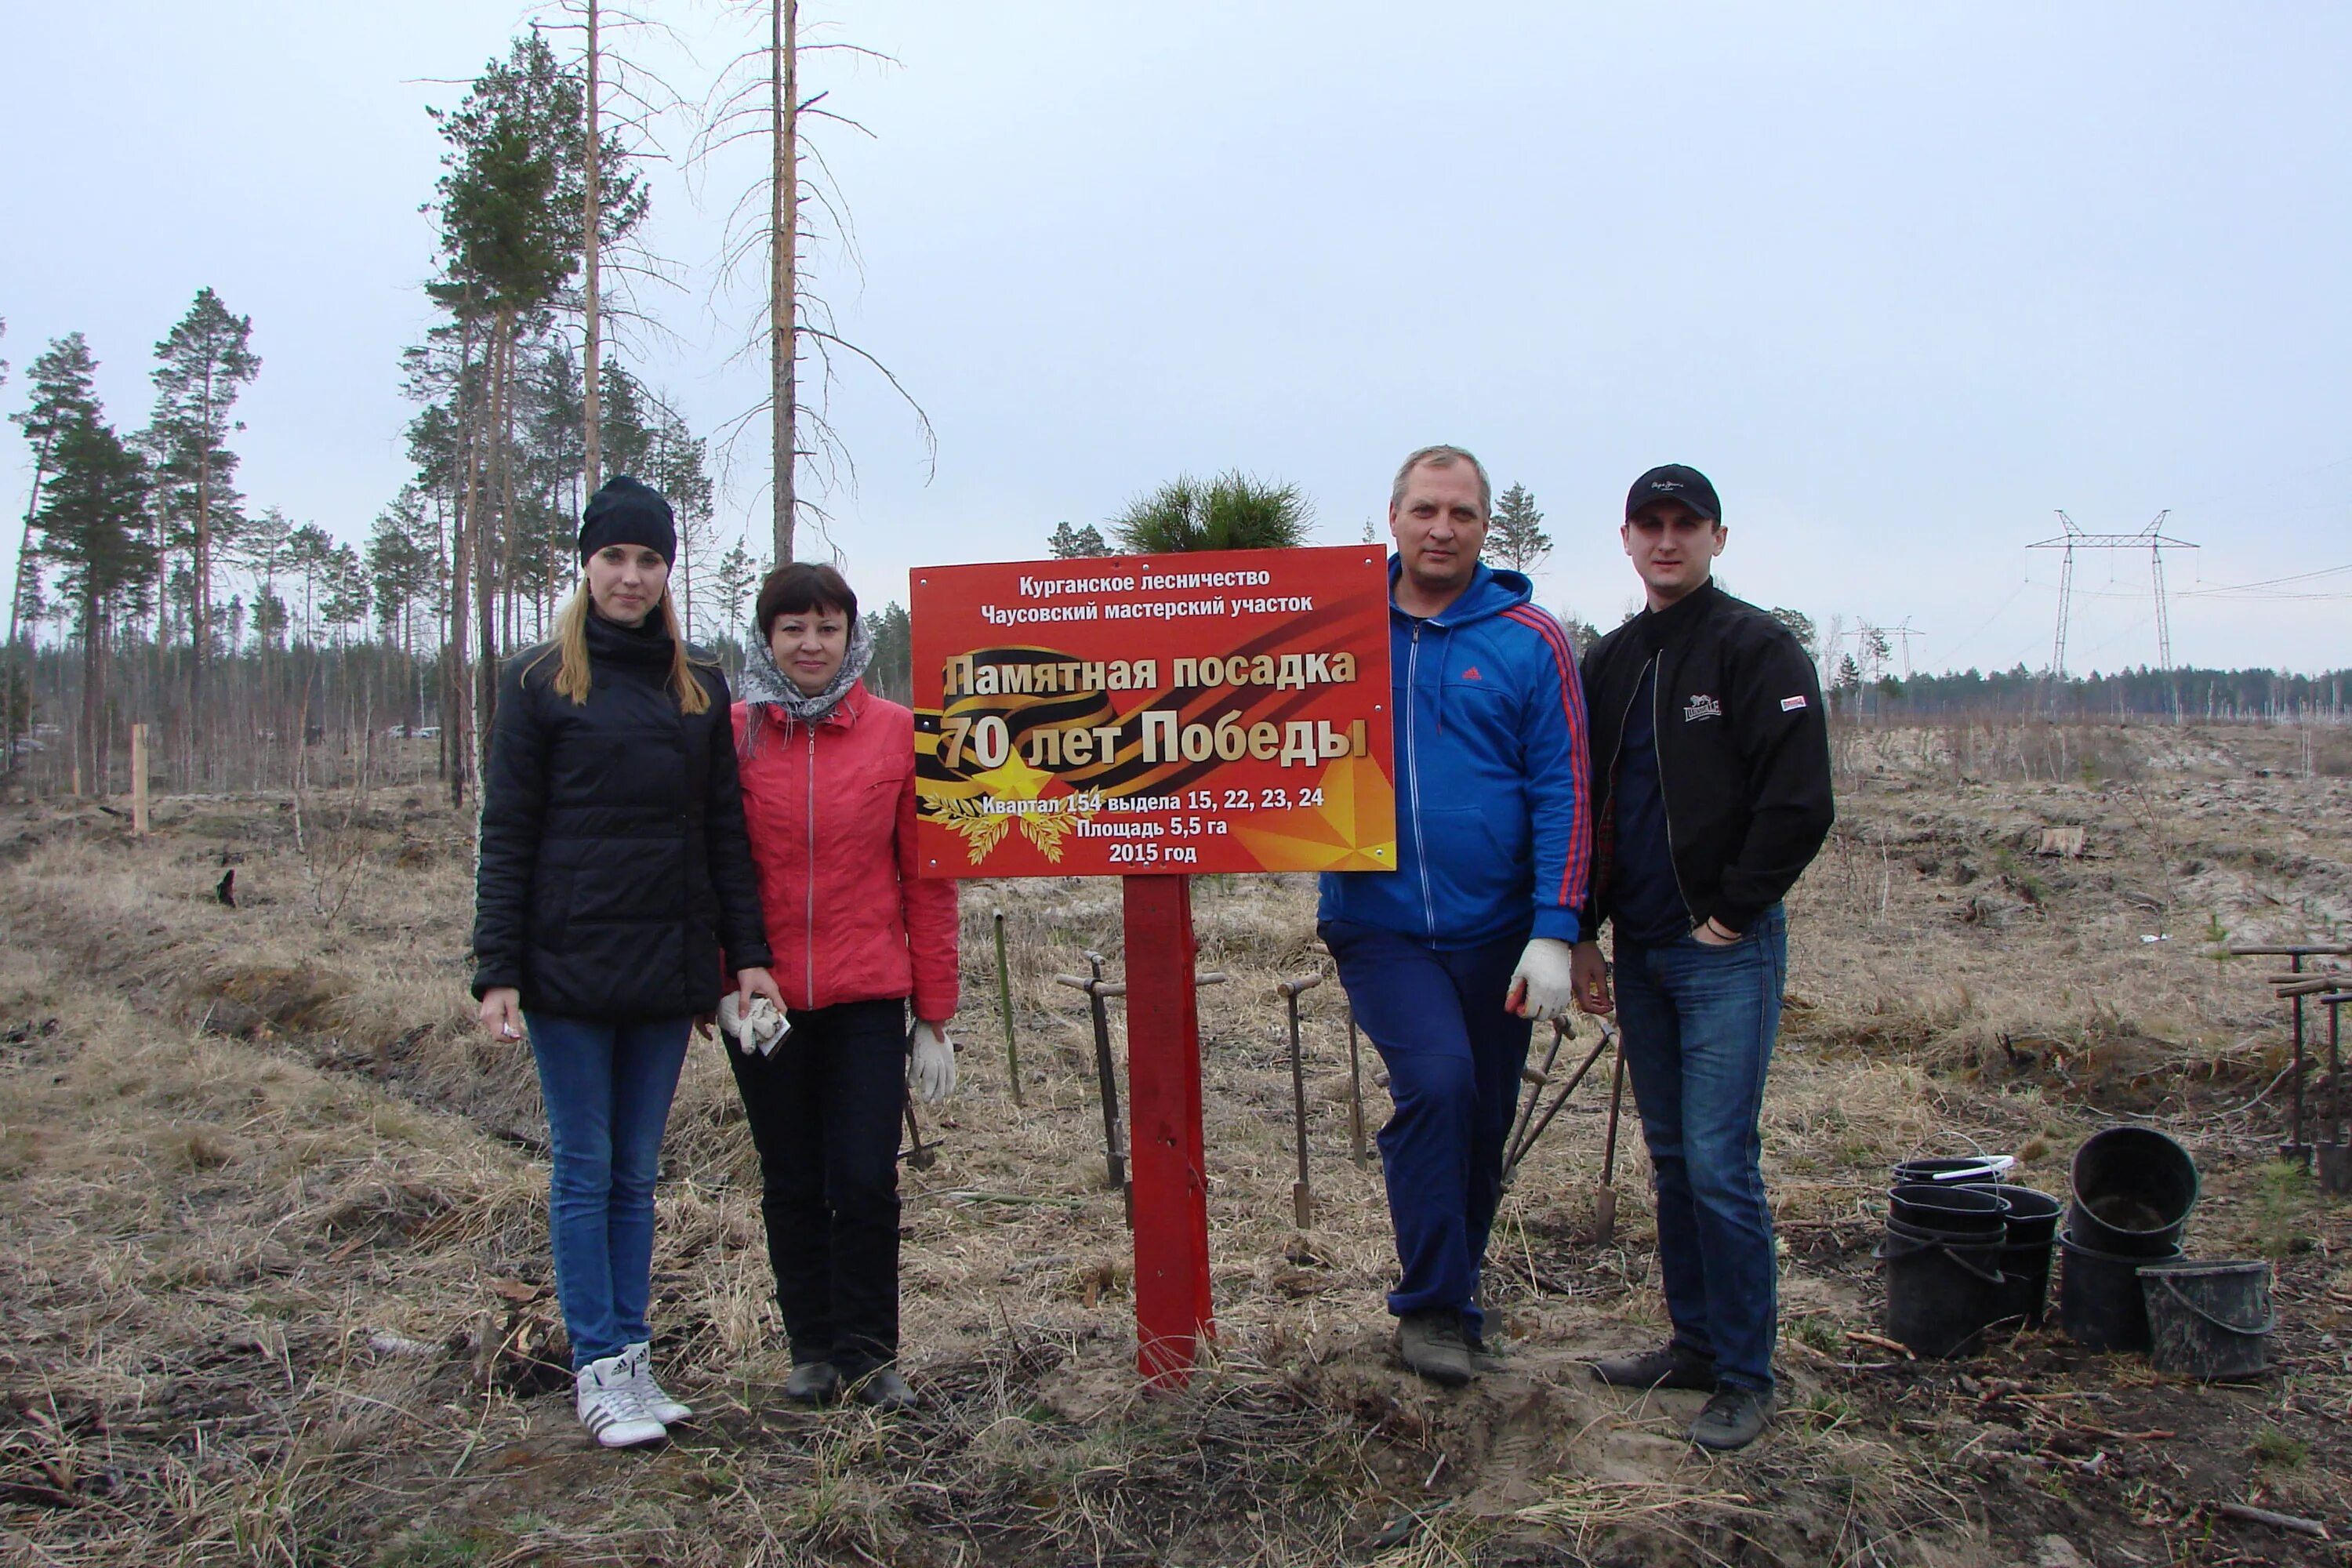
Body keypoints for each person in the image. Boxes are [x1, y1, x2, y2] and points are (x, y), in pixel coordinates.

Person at [473, 475, 784, 1449]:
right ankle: (598, 1368)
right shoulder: (537, 683)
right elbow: (508, 830)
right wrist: (498, 967)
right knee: (585, 1164)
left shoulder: (698, 684)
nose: (632, 576)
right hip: (565, 968)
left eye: (650, 560)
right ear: (586, 563)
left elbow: (723, 834)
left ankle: (636, 1362)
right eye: (615, 557)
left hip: (663, 969)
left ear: (667, 571)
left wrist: (747, 961)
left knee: (637, 1174)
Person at [1570, 463, 1834, 1450]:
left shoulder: (1756, 649)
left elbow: (1800, 798)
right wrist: (1584, 928)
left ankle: (1747, 1374)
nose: (1668, 540)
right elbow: (1587, 802)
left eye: (1688, 524)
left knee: (1723, 1160)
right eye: (1652, 525)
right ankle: (1693, 1344)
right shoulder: (1614, 659)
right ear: (1627, 539)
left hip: (1721, 953)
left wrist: (1733, 910)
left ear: (1719, 537)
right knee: (1674, 1157)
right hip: (1636, 951)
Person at [1318, 445, 1592, 1388]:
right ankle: (1429, 1304)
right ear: (1391, 517)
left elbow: (1565, 786)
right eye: (1425, 509)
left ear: (1486, 527)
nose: (1442, 528)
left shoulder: (1528, 638)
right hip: (1377, 921)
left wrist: (1556, 926)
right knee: (1436, 1086)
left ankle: (1459, 1294)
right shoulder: (1340, 629)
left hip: (1497, 932)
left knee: (1479, 1117)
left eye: (1462, 514)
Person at [727, 562, 960, 1412]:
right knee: (789, 1174)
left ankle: (871, 1353)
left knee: (863, 1176)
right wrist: (724, 980)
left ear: (851, 635)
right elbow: (718, 866)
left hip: (867, 993)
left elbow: (928, 878)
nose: (811, 643)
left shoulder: (900, 732)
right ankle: (812, 1350)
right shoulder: (736, 734)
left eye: (827, 626)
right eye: (793, 628)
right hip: (764, 1002)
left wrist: (934, 1011)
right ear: (768, 639)